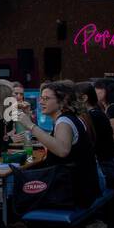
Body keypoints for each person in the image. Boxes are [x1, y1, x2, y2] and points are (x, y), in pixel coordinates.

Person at [19, 81, 100, 211]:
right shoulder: (70, 118)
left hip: (73, 192)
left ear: (63, 101)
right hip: (82, 186)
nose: (41, 102)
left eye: (46, 98)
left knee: (18, 198)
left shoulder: (64, 122)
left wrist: (30, 125)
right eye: (41, 98)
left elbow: (62, 150)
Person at [78, 81, 114, 191]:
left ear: (84, 98)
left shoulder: (93, 116)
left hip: (106, 171)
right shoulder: (96, 113)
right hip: (112, 167)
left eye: (73, 98)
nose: (69, 102)